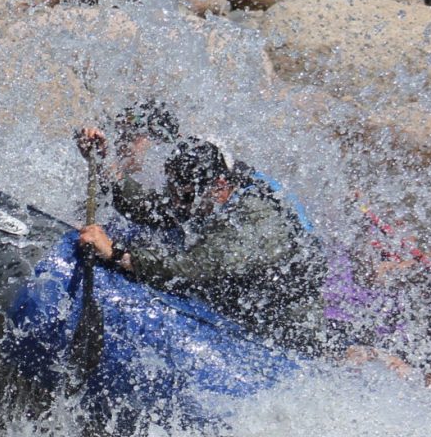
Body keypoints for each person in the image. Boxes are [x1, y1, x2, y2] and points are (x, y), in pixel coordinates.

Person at [77, 136, 329, 353]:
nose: (179, 204)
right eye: (174, 192)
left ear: (220, 186)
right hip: (237, 303)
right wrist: (103, 166)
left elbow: (192, 268)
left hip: (281, 332)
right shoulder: (202, 194)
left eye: (184, 196)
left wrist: (115, 253)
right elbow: (149, 208)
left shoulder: (255, 219)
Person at [75, 99, 183, 233]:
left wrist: (102, 162)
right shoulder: (108, 192)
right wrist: (97, 158)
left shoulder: (176, 190)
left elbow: (136, 202)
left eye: (130, 135)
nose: (120, 143)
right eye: (120, 133)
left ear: (159, 142)